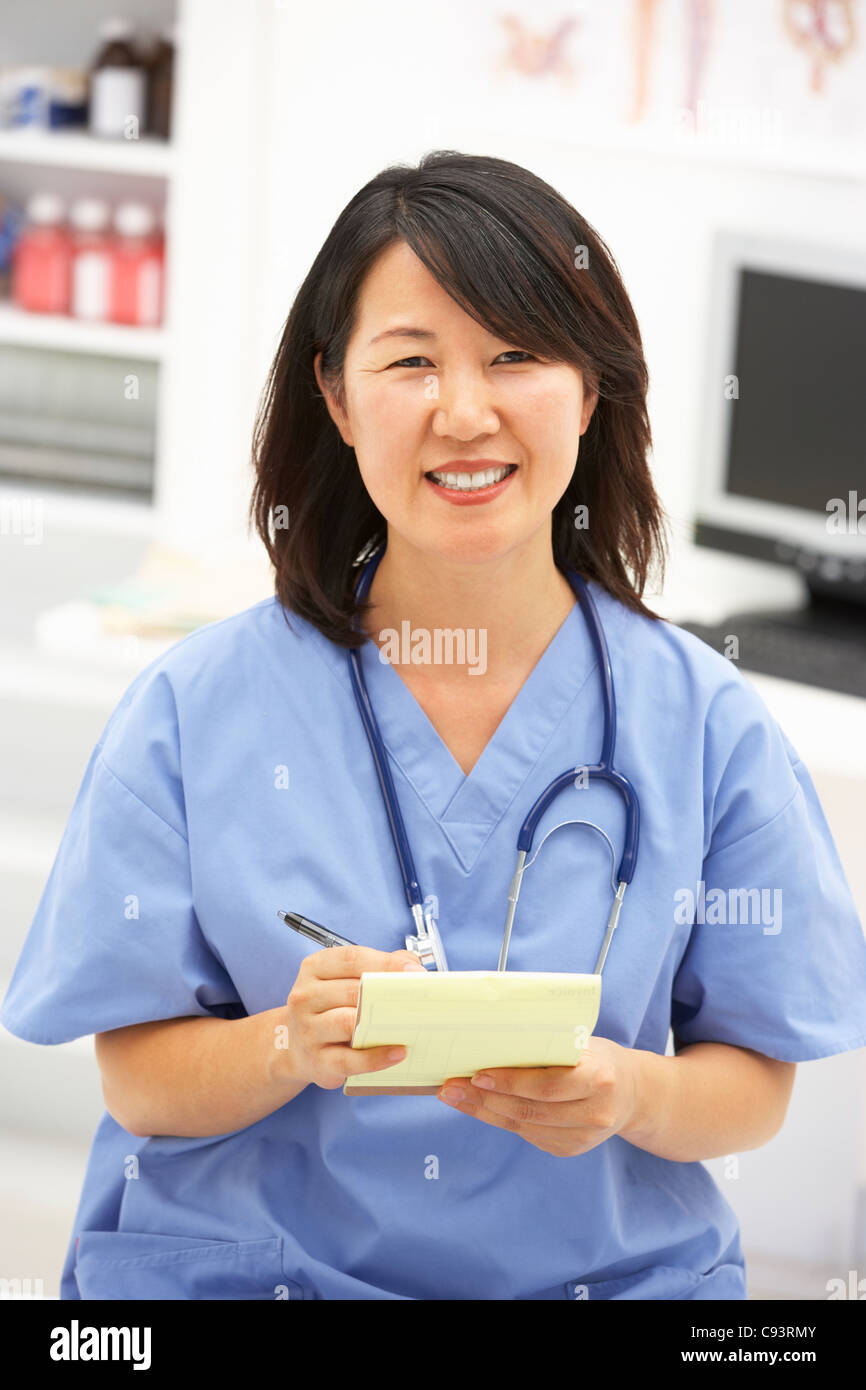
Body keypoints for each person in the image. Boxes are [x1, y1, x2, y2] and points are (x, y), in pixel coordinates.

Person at [4, 151, 866, 1301]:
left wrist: (631, 1093)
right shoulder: (195, 709)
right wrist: (286, 1045)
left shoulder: (706, 727)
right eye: (409, 361)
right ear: (336, 395)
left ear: (590, 390)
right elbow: (139, 1082)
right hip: (260, 1276)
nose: (464, 412)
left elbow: (754, 1077)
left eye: (515, 356)